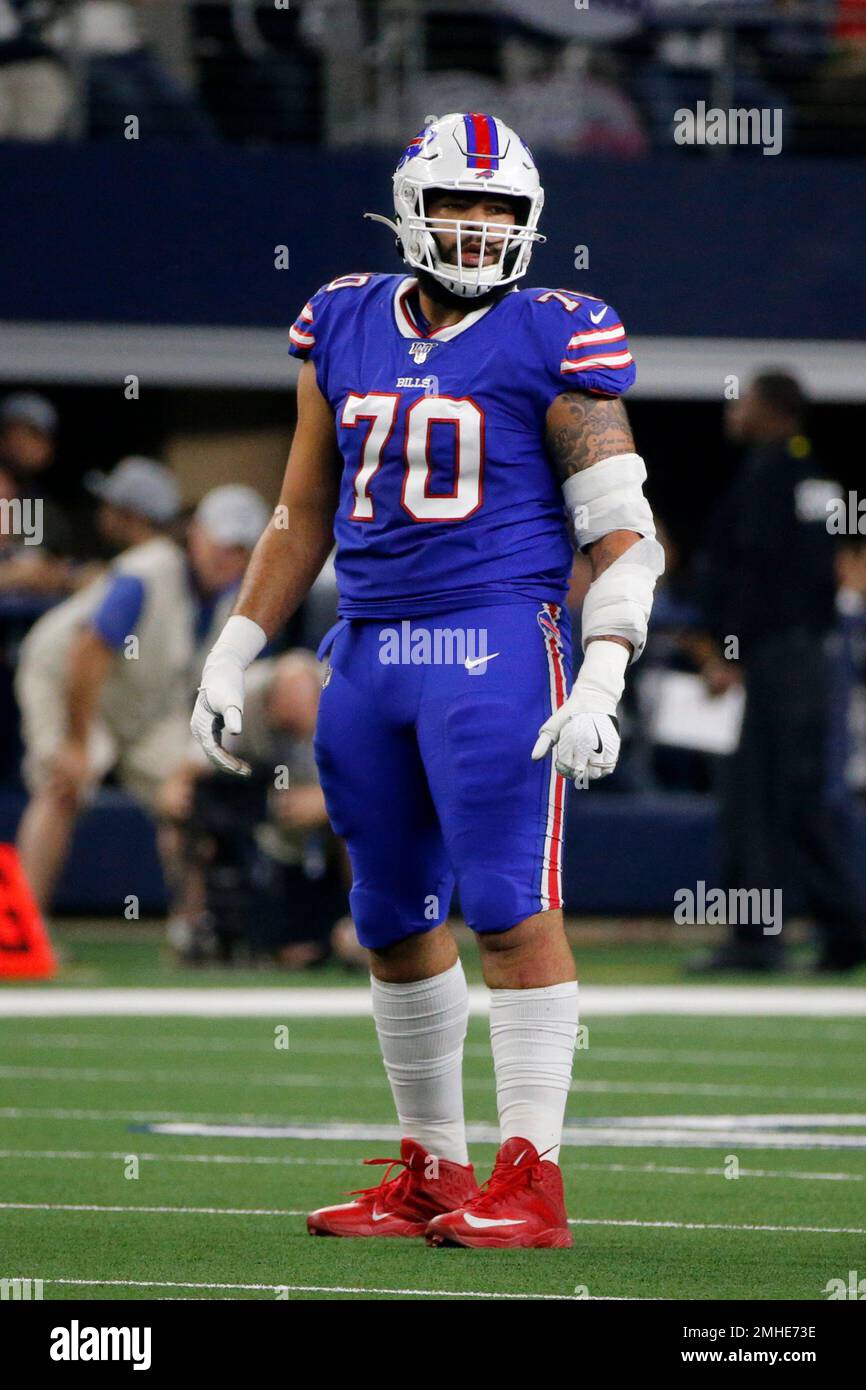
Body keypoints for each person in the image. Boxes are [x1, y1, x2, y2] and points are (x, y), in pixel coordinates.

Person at [191, 112, 664, 1248]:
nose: (477, 226)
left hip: (495, 644)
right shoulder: (343, 317)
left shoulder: (556, 335)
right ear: (410, 205)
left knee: (506, 907)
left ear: (529, 222)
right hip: (366, 649)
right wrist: (231, 650)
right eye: (459, 203)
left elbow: (622, 533)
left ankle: (532, 1179)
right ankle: (432, 1172)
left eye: (499, 209)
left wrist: (600, 674)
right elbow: (301, 512)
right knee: (389, 917)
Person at [15, 462, 268, 912]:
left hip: (138, 703)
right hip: (64, 679)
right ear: (196, 533)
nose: (226, 556)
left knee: (189, 798)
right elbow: (88, 651)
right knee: (65, 783)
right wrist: (76, 742)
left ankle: (193, 928)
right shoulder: (147, 572)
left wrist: (185, 770)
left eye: (240, 549)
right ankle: (22, 929)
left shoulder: (233, 601)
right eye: (220, 542)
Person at [689, 372, 866, 974]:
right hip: (800, 659)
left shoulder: (775, 476)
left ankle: (765, 938)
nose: (732, 412)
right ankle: (843, 930)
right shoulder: (807, 476)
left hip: (772, 662)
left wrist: (729, 654)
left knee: (759, 799)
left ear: (776, 411)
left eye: (744, 402)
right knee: (800, 795)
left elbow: (758, 580)